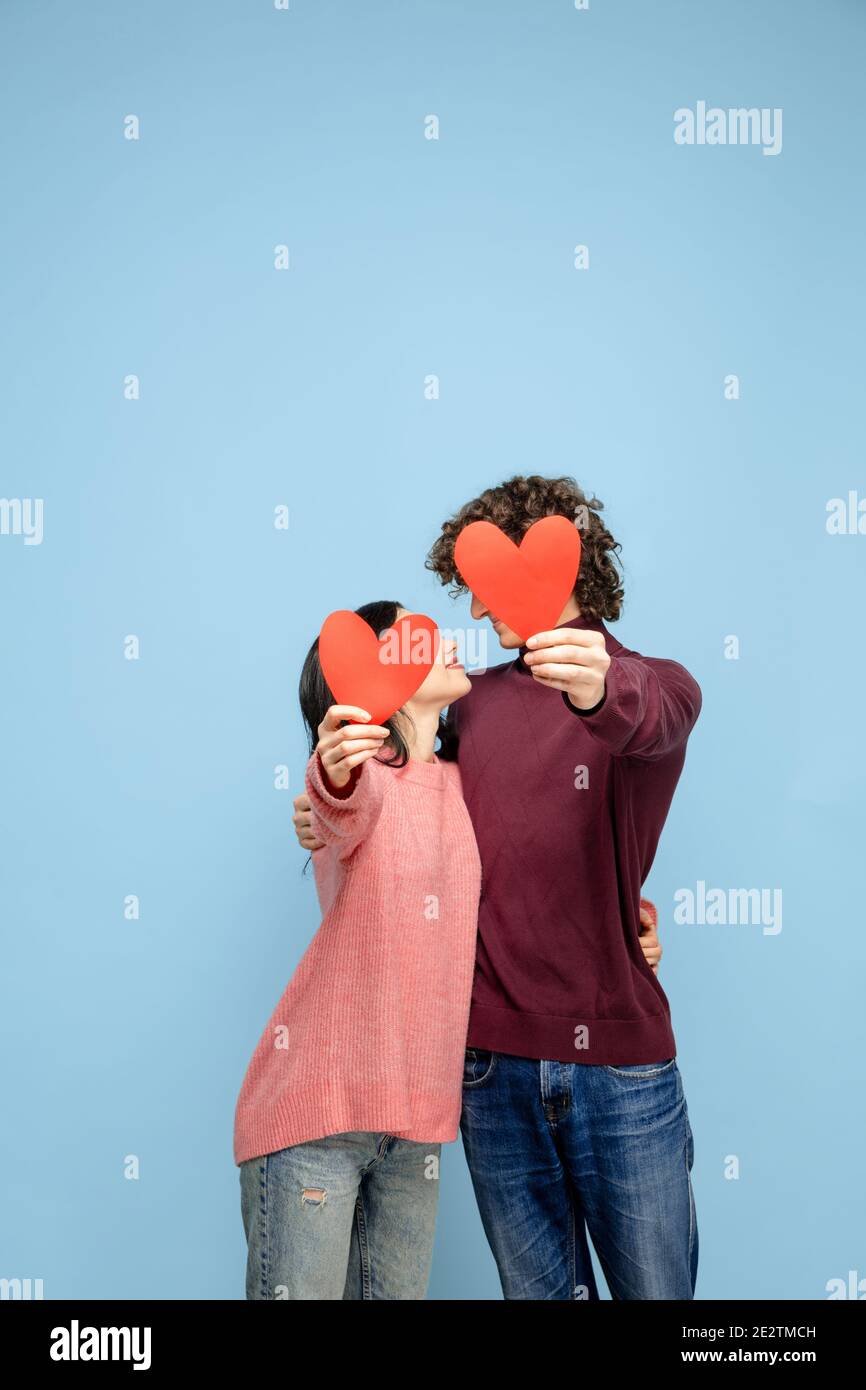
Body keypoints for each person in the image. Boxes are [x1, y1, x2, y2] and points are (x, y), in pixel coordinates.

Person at [293, 475, 702, 1300]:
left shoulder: (658, 684)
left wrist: (597, 685)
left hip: (620, 1070)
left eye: (484, 591)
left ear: (563, 571)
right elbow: (397, 808)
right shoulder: (470, 707)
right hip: (489, 1071)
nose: (476, 616)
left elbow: (648, 717)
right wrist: (321, 809)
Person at [233, 601, 481, 1300]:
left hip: (417, 1129)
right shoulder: (362, 778)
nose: (442, 642)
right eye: (413, 636)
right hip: (318, 1118)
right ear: (373, 672)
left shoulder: (468, 787)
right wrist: (333, 768)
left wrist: (630, 927)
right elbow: (340, 800)